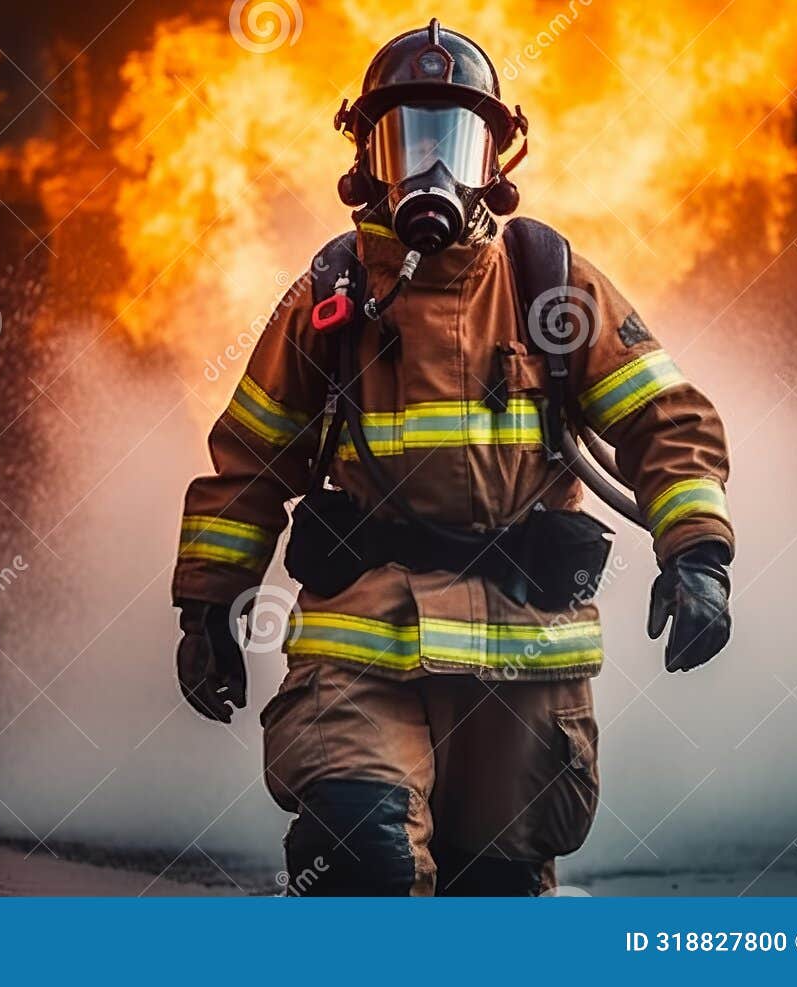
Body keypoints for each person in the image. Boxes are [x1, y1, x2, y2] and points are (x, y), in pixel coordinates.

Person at [171, 19, 733, 896]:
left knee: (493, 906)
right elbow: (248, 459)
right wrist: (206, 607)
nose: (431, 164)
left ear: (495, 159)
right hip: (362, 652)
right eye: (408, 138)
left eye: (454, 137)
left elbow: (665, 420)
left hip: (520, 665)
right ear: (368, 157)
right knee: (363, 862)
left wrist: (699, 555)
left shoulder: (553, 281)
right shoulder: (329, 298)